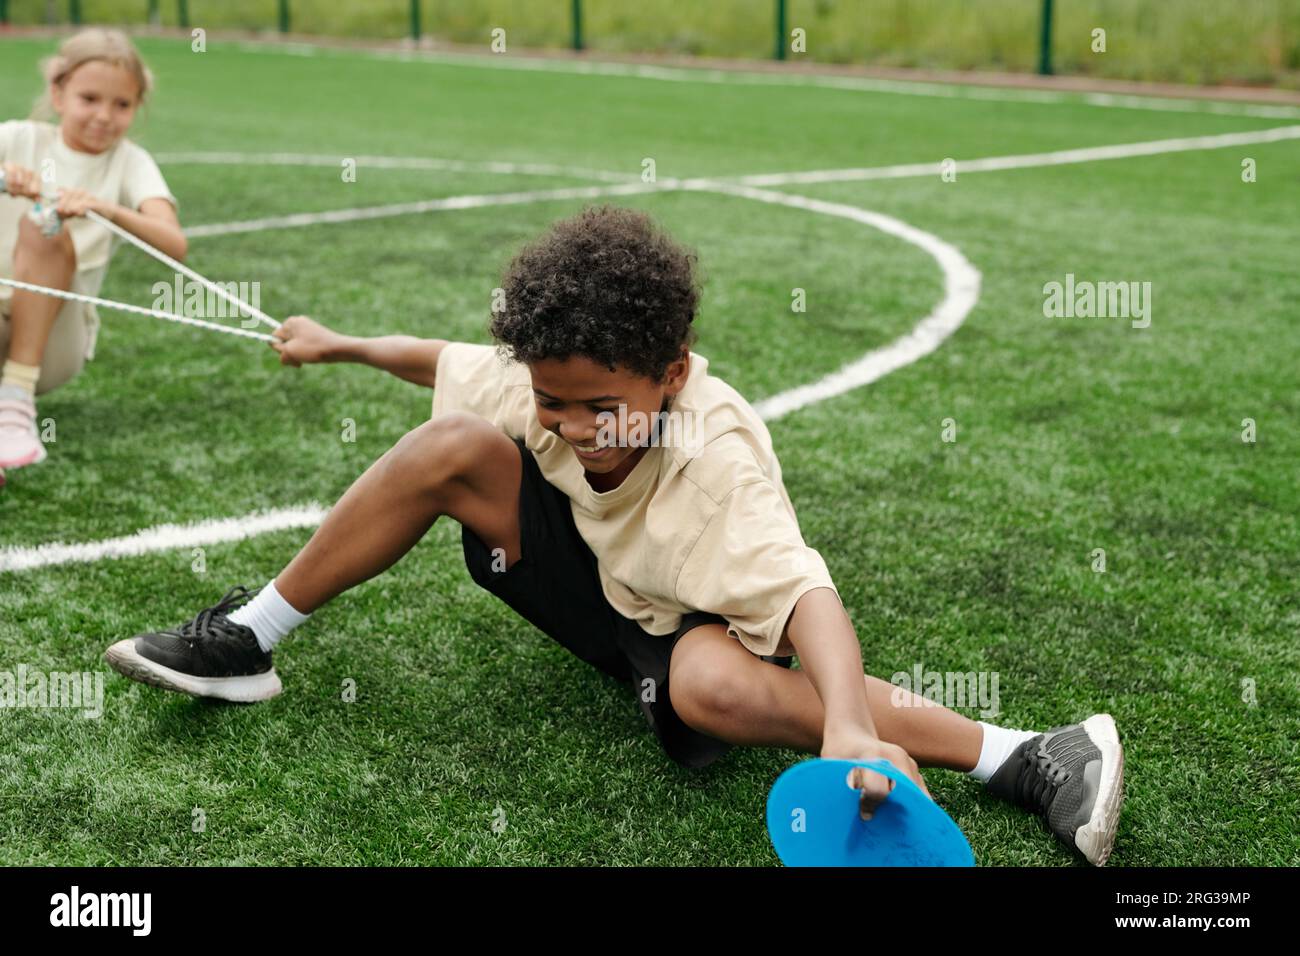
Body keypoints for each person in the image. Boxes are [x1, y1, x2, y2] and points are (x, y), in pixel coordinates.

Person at [103, 204, 1124, 865]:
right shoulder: (551, 380)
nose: (574, 424)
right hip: (587, 579)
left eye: (601, 405)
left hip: (681, 618)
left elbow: (807, 592)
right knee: (456, 440)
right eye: (555, 400)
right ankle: (252, 637)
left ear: (670, 374)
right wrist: (340, 347)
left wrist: (849, 727)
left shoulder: (712, 461)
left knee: (709, 687)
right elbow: (450, 359)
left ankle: (1028, 752)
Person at [0, 28, 185, 484]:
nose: (104, 116)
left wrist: (106, 208)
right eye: (89, 99)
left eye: (122, 105)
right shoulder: (18, 138)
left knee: (44, 223)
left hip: (52, 344)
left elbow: (173, 243)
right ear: (58, 93)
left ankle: (16, 400)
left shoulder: (131, 162)